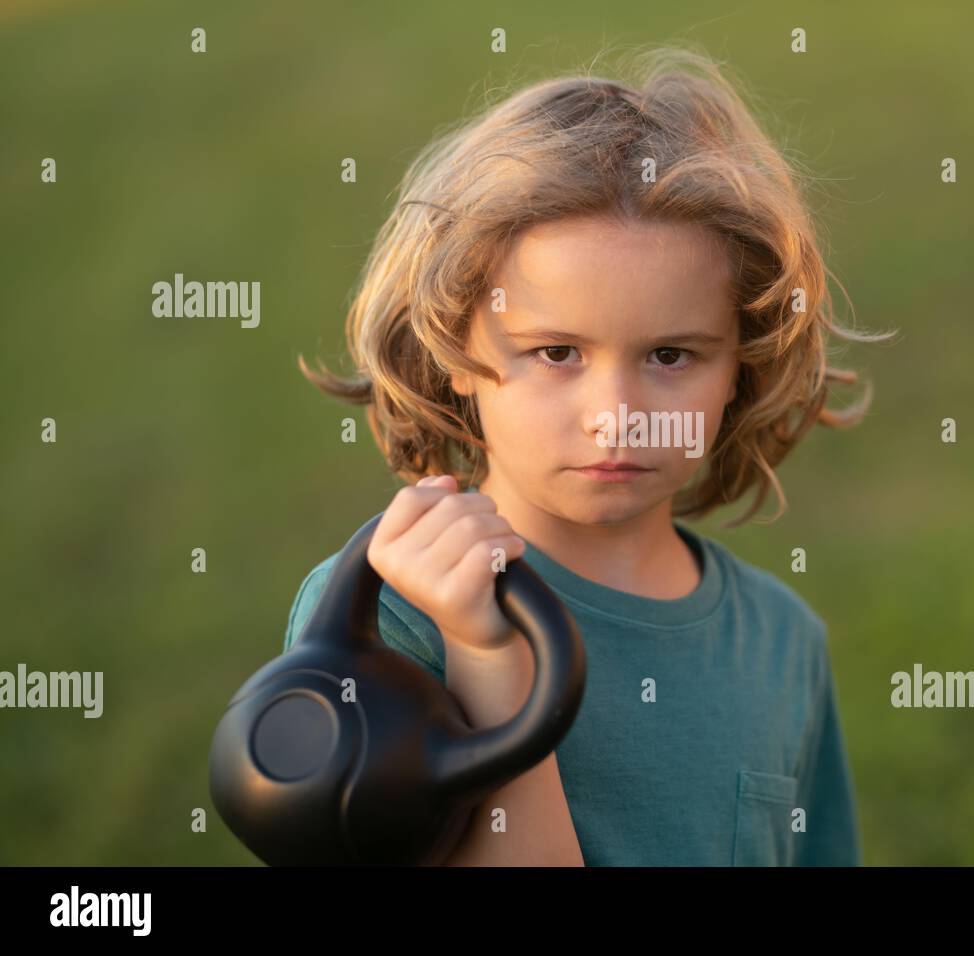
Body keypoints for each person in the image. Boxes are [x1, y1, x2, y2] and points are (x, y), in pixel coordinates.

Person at [285, 45, 894, 866]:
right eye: (556, 353)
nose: (616, 421)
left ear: (741, 370)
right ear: (455, 355)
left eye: (672, 356)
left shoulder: (785, 643)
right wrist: (487, 651)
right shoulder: (376, 617)